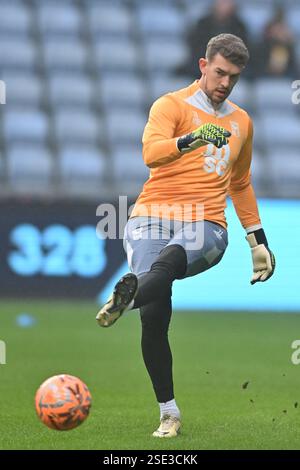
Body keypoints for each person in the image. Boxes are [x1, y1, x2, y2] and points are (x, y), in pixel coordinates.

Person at [96, 34, 276, 438]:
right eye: (219, 73)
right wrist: (190, 140)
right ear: (202, 66)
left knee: (169, 263)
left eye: (234, 76)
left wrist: (257, 240)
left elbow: (241, 183)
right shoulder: (171, 105)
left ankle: (126, 297)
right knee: (155, 314)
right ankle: (169, 413)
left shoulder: (242, 122)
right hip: (151, 215)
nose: (225, 83)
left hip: (206, 224)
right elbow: (151, 153)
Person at [178, 0, 250, 78]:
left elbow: (242, 50)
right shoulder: (203, 23)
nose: (224, 6)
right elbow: (196, 46)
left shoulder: (239, 26)